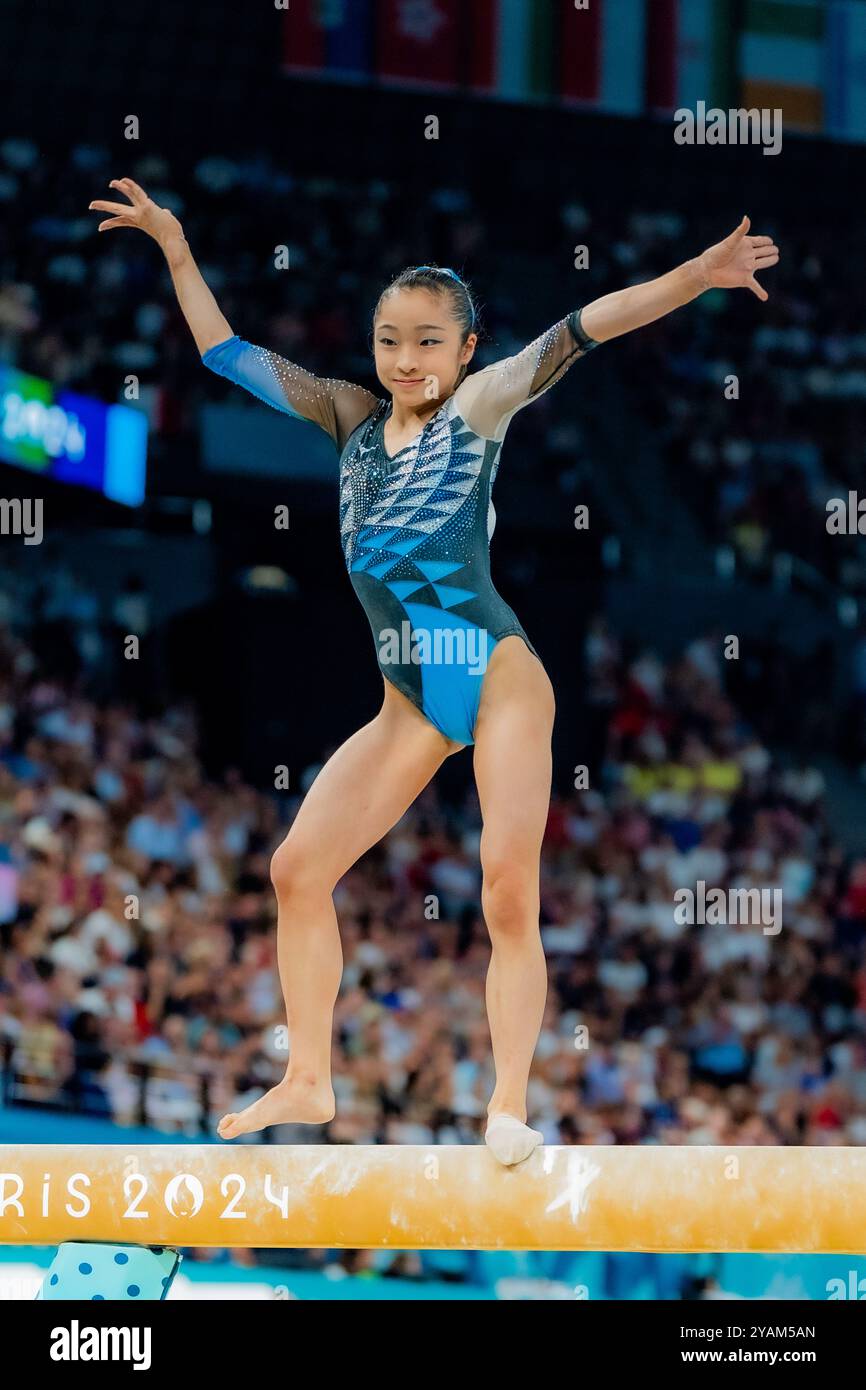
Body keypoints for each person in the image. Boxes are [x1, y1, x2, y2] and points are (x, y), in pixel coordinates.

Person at [89, 179, 779, 1163]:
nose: (405, 358)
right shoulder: (344, 417)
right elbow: (221, 353)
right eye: (388, 339)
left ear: (464, 349)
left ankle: (506, 1104)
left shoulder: (485, 405)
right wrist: (174, 243)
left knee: (504, 887)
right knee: (295, 870)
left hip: (496, 675)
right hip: (409, 701)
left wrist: (696, 276)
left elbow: (585, 327)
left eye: (426, 340)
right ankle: (309, 1077)